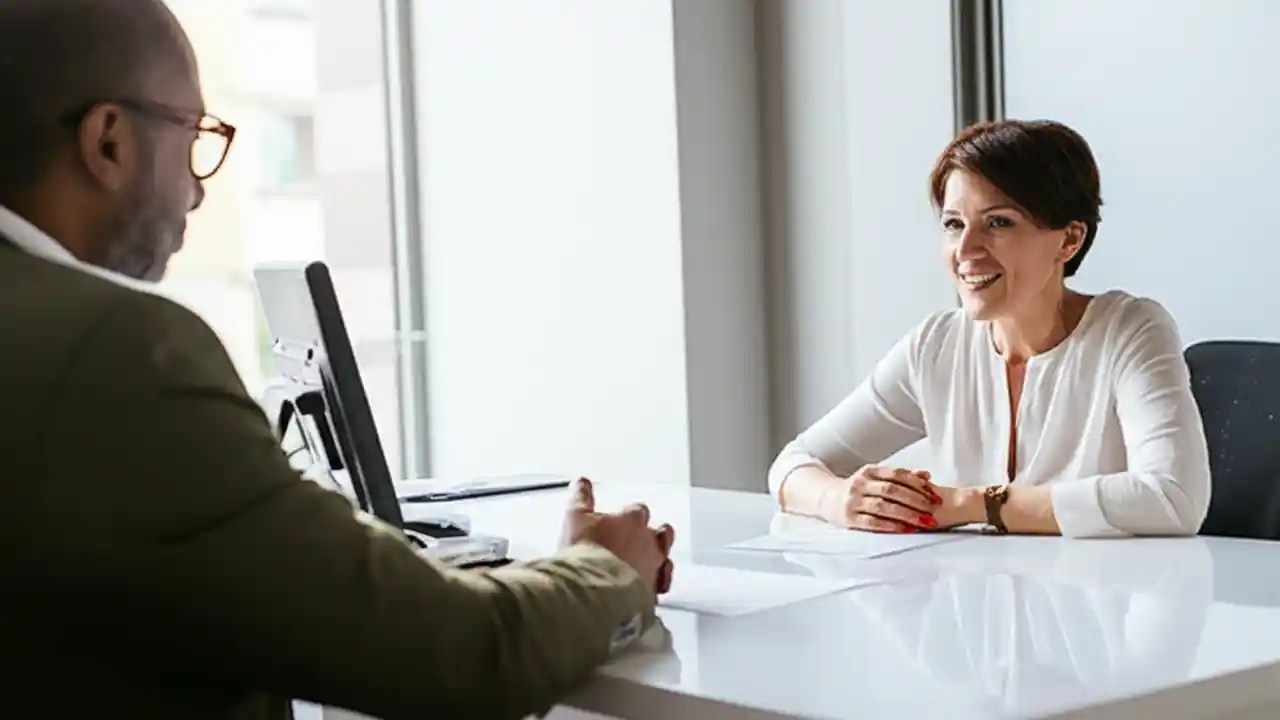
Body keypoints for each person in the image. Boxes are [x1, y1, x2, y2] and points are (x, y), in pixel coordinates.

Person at [0, 1, 674, 717]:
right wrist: (603, 570)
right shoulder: (124, 356)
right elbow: (466, 656)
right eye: (194, 135)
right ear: (108, 141)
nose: (198, 189)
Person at [768, 119, 1211, 538]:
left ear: (1069, 239)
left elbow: (1174, 498)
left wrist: (974, 504)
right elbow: (793, 464)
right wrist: (841, 499)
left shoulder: (1130, 331)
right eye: (954, 224)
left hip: (1104, 607)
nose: (965, 250)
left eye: (998, 222)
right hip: (976, 606)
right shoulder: (936, 346)